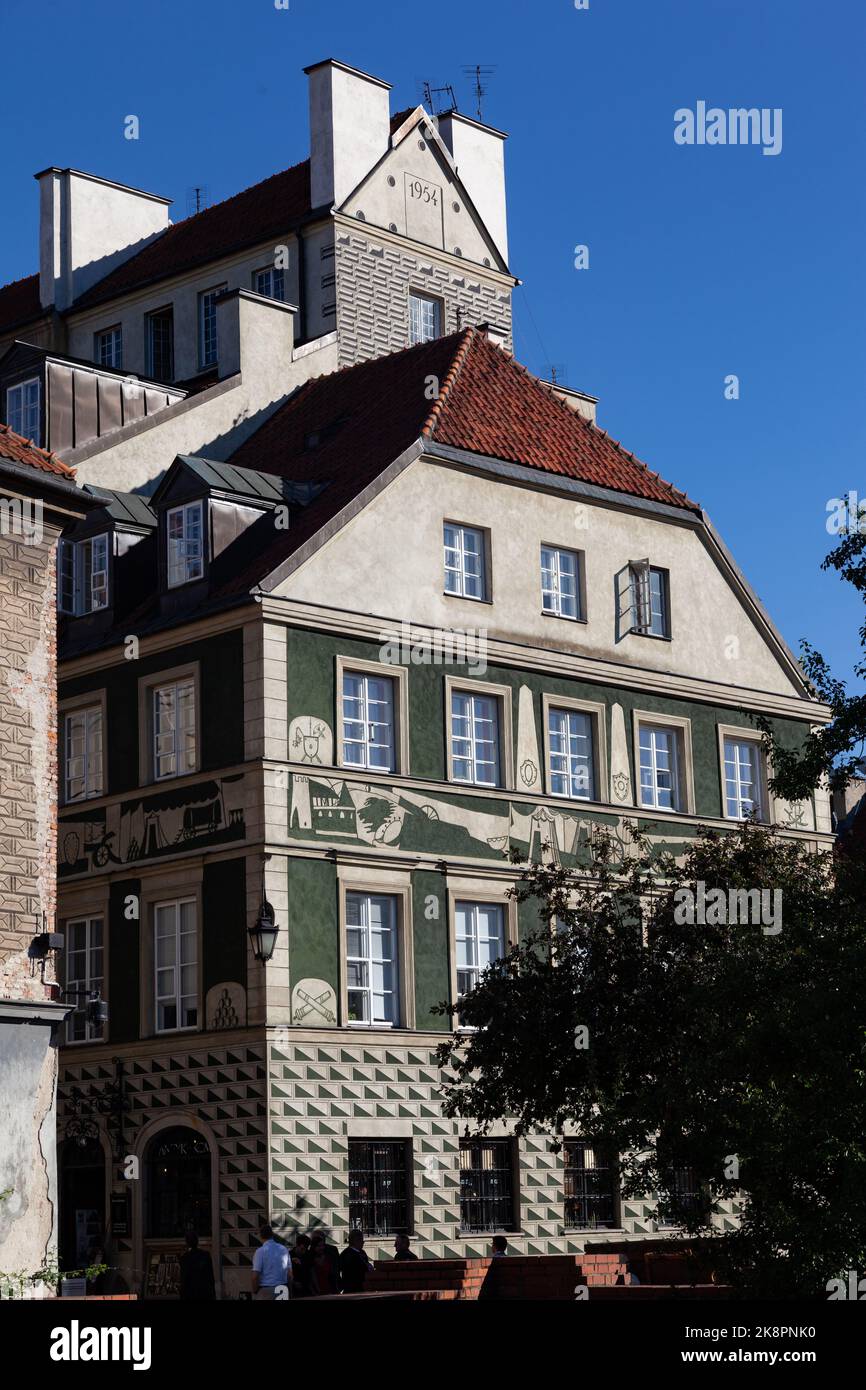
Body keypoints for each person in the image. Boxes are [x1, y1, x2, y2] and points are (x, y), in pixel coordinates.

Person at [251, 1223, 292, 1300]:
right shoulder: (284, 1249)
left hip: (266, 1291)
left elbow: (255, 1276)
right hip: (283, 1290)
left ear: (260, 1236)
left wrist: (255, 1291)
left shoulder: (260, 1251)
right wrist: (290, 1292)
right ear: (272, 1235)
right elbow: (290, 1275)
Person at [179, 1231, 216, 1300]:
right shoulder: (205, 1255)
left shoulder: (184, 1258)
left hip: (190, 1294)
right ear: (197, 1241)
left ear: (187, 1243)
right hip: (204, 1294)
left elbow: (183, 1280)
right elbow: (210, 1278)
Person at [339, 1229, 372, 1293]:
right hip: (351, 1288)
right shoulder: (346, 1254)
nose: (363, 1243)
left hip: (362, 1287)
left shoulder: (362, 1252)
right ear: (355, 1241)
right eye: (361, 1240)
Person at [308, 1230, 341, 1295]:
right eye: (315, 1241)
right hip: (316, 1292)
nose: (321, 1247)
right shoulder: (309, 1256)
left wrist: (338, 1287)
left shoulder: (332, 1251)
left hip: (331, 1289)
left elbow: (337, 1268)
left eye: (322, 1245)